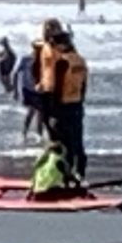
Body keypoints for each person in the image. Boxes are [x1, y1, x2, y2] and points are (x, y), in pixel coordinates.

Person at [43, 19, 90, 186]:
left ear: (61, 45)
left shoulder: (62, 62)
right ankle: (80, 173)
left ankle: (65, 176)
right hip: (76, 104)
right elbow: (84, 85)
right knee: (77, 141)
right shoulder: (80, 60)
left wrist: (51, 112)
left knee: (63, 144)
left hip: (62, 106)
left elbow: (57, 87)